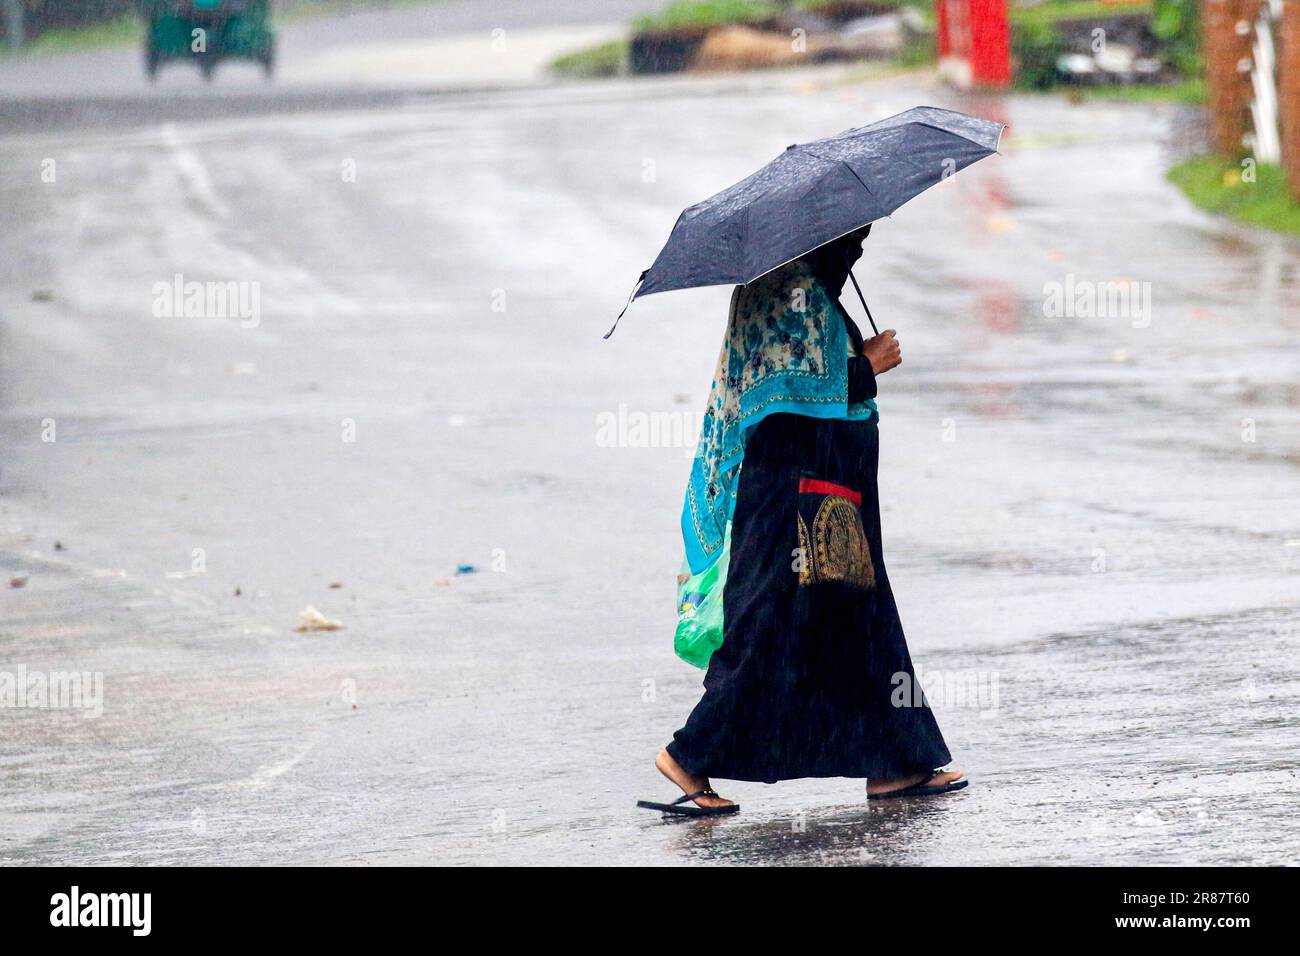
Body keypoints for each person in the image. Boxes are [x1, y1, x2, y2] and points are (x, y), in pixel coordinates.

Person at [647, 226, 966, 814]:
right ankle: (688, 754)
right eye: (851, 240)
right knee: (769, 627)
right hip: (789, 502)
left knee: (857, 620)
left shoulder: (812, 292)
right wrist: (866, 367)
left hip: (829, 491)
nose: (854, 250)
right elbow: (783, 396)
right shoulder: (785, 291)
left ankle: (894, 764)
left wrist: (857, 358)